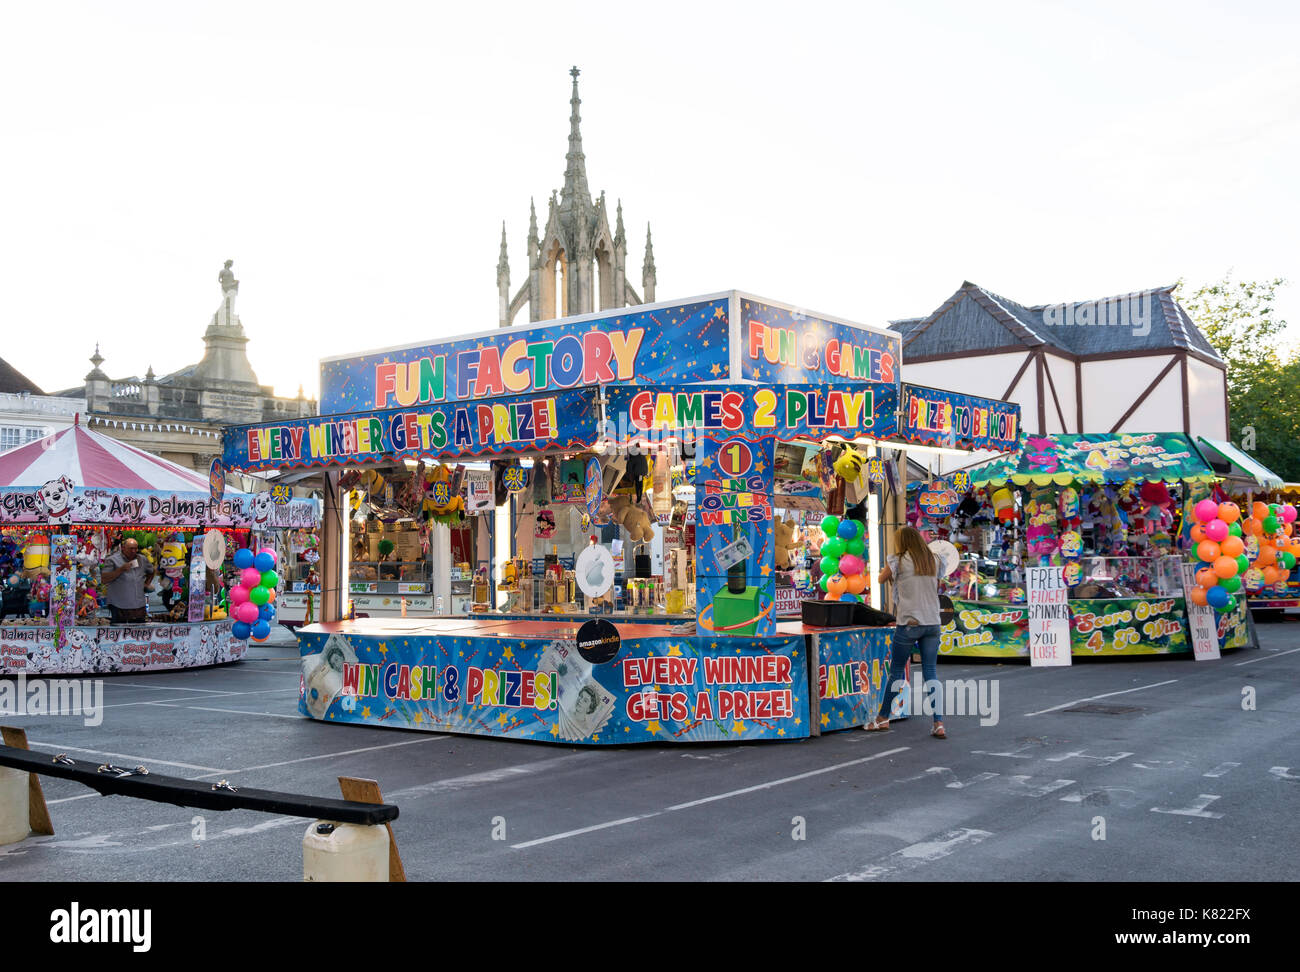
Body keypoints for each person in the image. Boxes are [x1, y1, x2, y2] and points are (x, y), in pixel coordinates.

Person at [865, 525, 946, 738]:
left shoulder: (898, 560)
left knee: (896, 672)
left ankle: (883, 718)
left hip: (909, 622)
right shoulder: (934, 560)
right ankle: (938, 723)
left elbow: (881, 579)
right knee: (931, 672)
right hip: (932, 622)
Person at [100, 537, 156, 623]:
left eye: (135, 548)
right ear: (123, 548)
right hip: (119, 605)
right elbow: (104, 579)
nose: (133, 551)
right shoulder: (112, 560)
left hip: (138, 605)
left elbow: (152, 571)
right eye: (131, 548)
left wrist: (146, 583)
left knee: (138, 632)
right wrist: (121, 569)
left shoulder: (142, 559)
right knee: (120, 632)